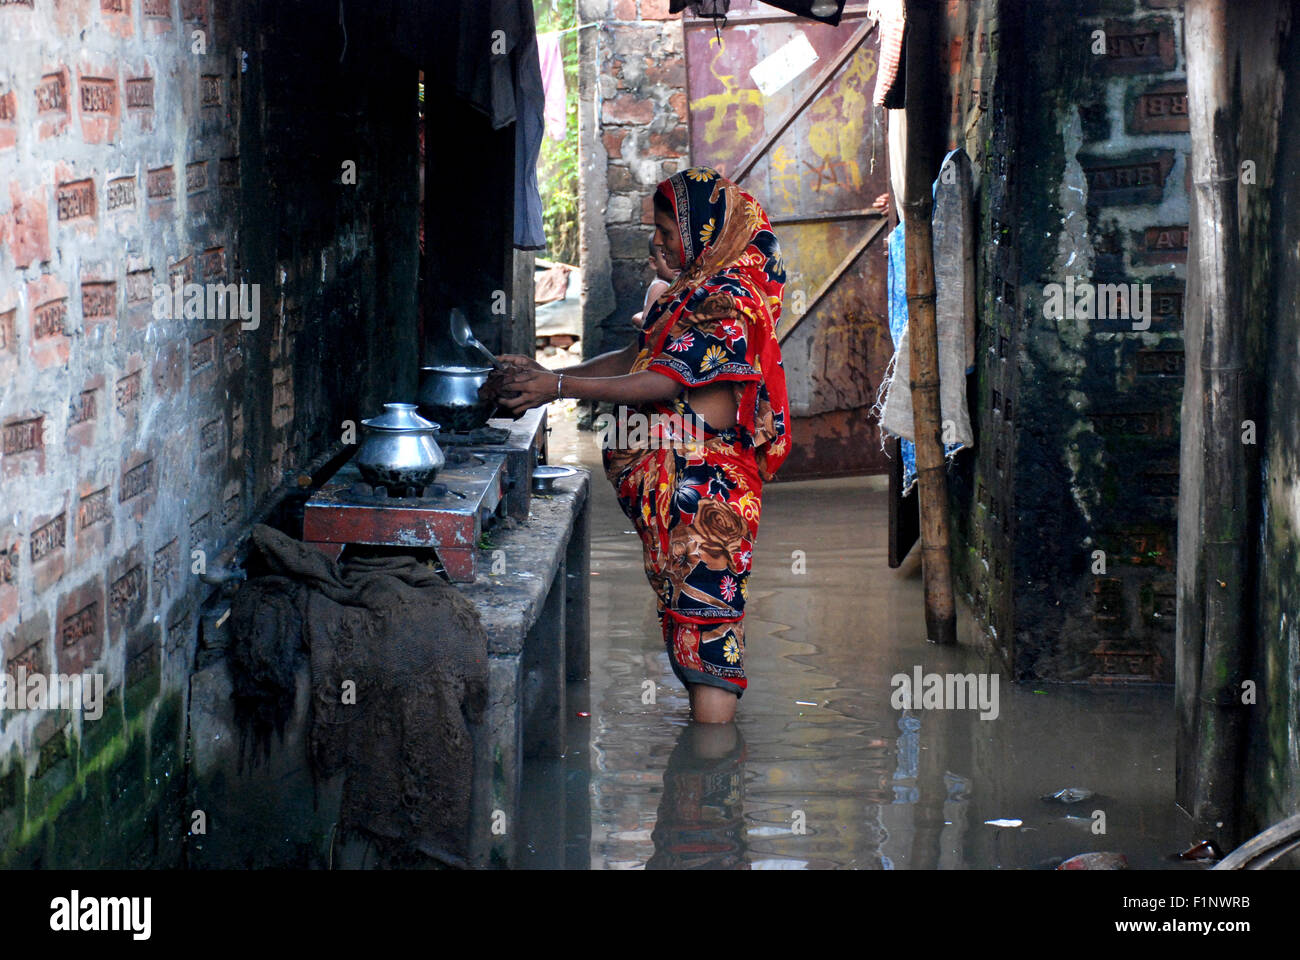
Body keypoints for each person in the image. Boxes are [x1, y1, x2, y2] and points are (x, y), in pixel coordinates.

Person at [491, 166, 791, 723]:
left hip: (707, 506)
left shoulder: (725, 299)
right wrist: (548, 375)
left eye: (668, 231)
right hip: (679, 507)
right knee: (688, 629)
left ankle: (712, 780)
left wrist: (555, 387)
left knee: (708, 640)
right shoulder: (691, 291)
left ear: (702, 230)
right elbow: (639, 361)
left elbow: (667, 380)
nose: (657, 243)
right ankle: (703, 781)